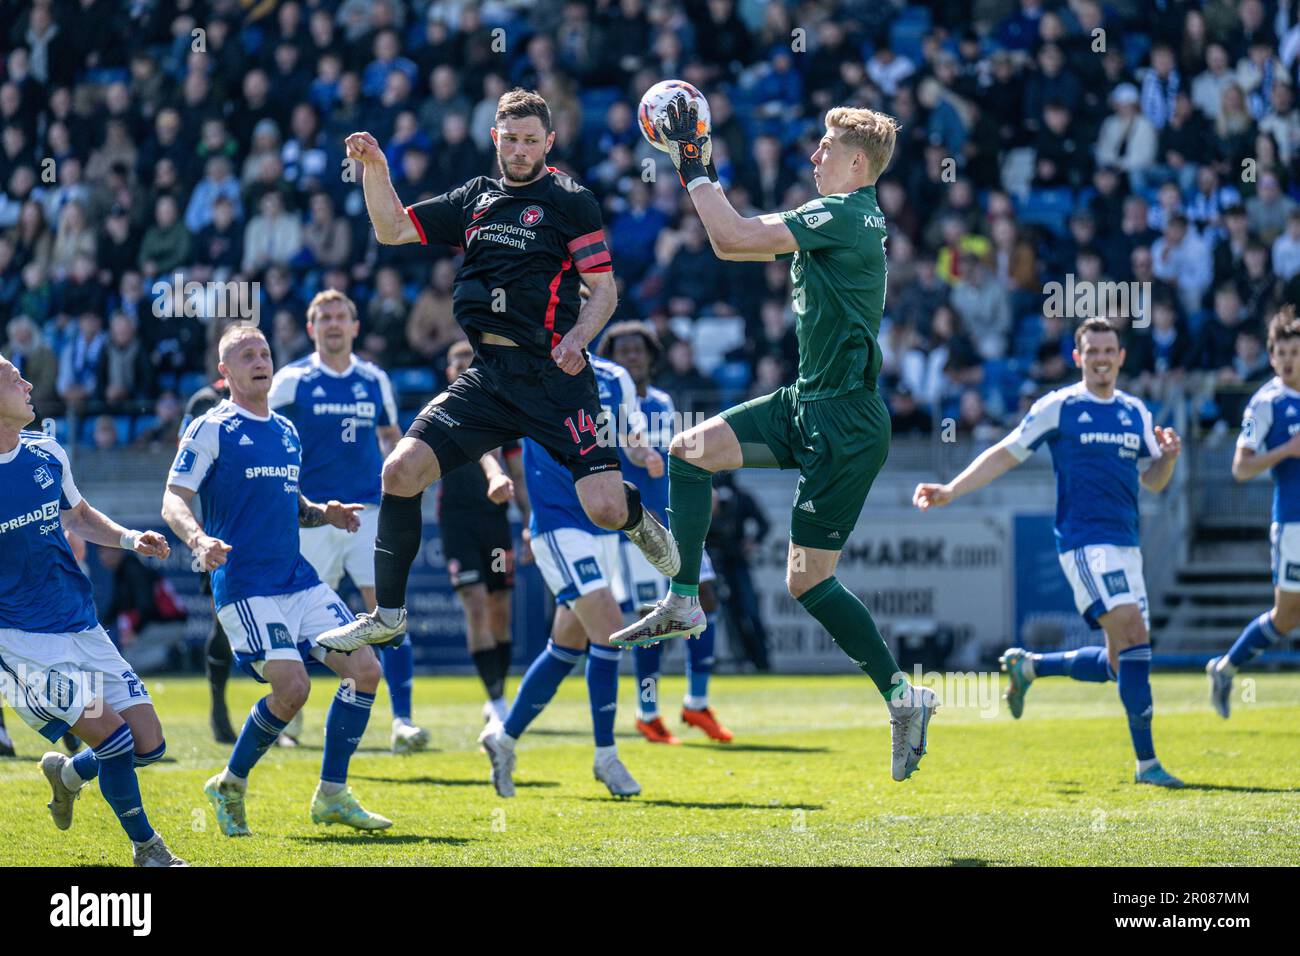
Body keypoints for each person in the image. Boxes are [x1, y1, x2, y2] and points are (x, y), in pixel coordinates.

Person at [611, 97, 937, 782]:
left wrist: (695, 164)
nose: (814, 156)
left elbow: (730, 240)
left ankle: (904, 695)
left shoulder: (845, 213)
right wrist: (694, 164)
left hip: (844, 424)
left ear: (856, 162)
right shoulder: (850, 216)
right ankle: (683, 599)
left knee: (806, 581)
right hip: (806, 402)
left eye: (825, 148)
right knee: (688, 452)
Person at [316, 88, 680, 657]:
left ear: (549, 143)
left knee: (605, 508)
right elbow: (390, 229)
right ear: (495, 138)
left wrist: (579, 339)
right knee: (399, 472)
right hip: (489, 376)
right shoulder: (473, 199)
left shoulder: (570, 200)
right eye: (510, 139)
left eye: (531, 140)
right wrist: (377, 169)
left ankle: (639, 521)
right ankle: (386, 616)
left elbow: (604, 289)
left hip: (557, 377)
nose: (519, 149)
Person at [913, 318, 1185, 788]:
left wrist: (1169, 459)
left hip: (1128, 546)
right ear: (1079, 358)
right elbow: (1006, 451)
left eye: (1109, 350)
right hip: (1084, 544)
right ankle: (1147, 765)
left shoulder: (1135, 413)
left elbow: (1153, 481)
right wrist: (953, 490)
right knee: (1137, 636)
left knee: (1122, 661)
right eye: (1092, 350)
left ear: (1121, 357)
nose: (1101, 357)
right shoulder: (1059, 407)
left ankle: (1031, 665)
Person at [162, 324, 391, 836]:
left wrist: (322, 513)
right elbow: (173, 498)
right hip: (245, 586)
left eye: (264, 352)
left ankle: (332, 794)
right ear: (225, 373)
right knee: (293, 686)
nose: (259, 360)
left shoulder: (287, 432)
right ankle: (230, 783)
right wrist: (198, 540)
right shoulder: (210, 427)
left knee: (366, 670)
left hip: (298, 581)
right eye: (246, 355)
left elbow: (293, 506)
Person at [0, 355, 184, 865]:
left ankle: (68, 774)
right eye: (14, 379)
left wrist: (129, 538)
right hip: (22, 643)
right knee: (115, 735)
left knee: (149, 742)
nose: (29, 383)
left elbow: (77, 517)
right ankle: (148, 848)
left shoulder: (47, 454)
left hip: (80, 623)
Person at [479, 353, 660, 798]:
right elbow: (486, 434)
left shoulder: (615, 377)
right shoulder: (526, 367)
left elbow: (631, 439)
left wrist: (647, 453)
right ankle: (607, 756)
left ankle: (502, 739)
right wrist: (496, 473)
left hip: (604, 528)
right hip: (558, 526)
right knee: (612, 629)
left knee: (567, 648)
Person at [269, 290, 430, 754]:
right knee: (297, 618)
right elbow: (267, 435)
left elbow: (391, 439)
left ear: (356, 326)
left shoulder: (374, 379)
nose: (334, 324)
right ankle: (289, 720)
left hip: (369, 514)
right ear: (310, 327)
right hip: (311, 519)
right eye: (325, 317)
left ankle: (402, 721)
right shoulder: (292, 380)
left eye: (341, 316)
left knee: (388, 613)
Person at [597, 321, 731, 743]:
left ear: (652, 355)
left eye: (639, 349)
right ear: (611, 360)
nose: (632, 356)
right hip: (636, 529)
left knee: (704, 597)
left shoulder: (663, 402)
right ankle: (647, 711)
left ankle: (696, 704)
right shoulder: (605, 408)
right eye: (624, 351)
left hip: (676, 522)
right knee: (648, 618)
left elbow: (682, 459)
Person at [1207, 308, 1300, 716]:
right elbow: (1240, 468)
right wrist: (1285, 450)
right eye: (1281, 353)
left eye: (1295, 351)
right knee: (1286, 617)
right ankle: (1226, 668)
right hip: (1294, 523)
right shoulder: (1266, 403)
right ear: (1270, 356)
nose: (1288, 360)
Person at [436, 340, 522, 723]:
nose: (462, 366)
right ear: (447, 371)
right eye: (456, 362)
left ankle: (498, 692)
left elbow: (515, 470)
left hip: (496, 519)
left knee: (499, 606)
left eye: (468, 360)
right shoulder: (439, 412)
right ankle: (498, 700)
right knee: (474, 602)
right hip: (456, 519)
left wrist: (530, 523)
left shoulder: (504, 411)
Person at [180, 376, 244, 745]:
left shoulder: (268, 402)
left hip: (262, 525)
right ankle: (218, 706)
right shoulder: (204, 404)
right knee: (224, 621)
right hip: (217, 529)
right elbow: (184, 465)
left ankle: (284, 710)